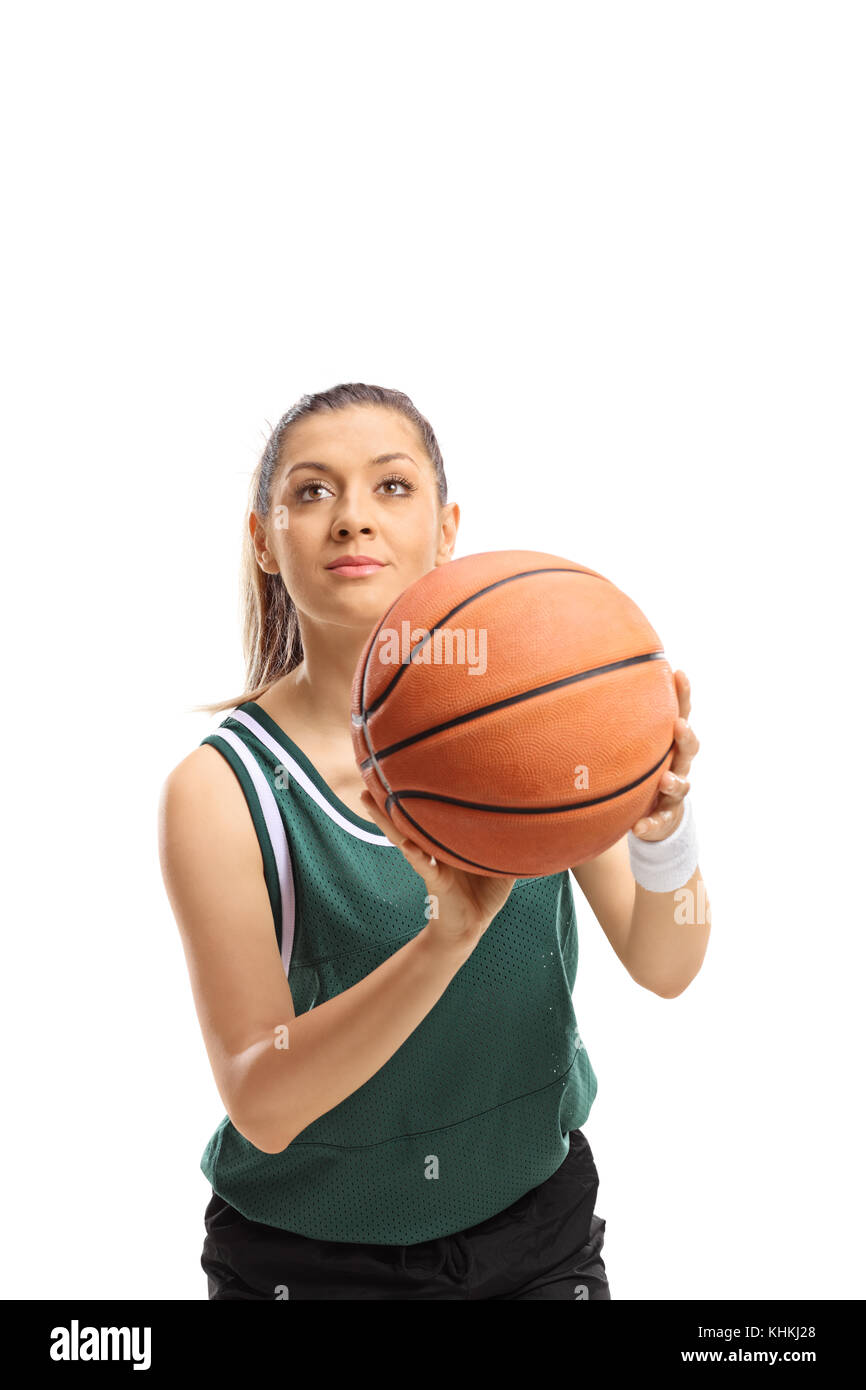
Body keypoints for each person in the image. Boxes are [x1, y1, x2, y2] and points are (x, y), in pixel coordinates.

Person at [158, 381, 704, 1300]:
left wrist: (664, 834)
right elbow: (263, 1102)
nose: (352, 520)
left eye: (392, 487)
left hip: (539, 1235)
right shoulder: (221, 789)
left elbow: (668, 963)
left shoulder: (543, 716)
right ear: (264, 540)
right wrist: (445, 939)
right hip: (312, 1261)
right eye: (311, 491)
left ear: (448, 529)